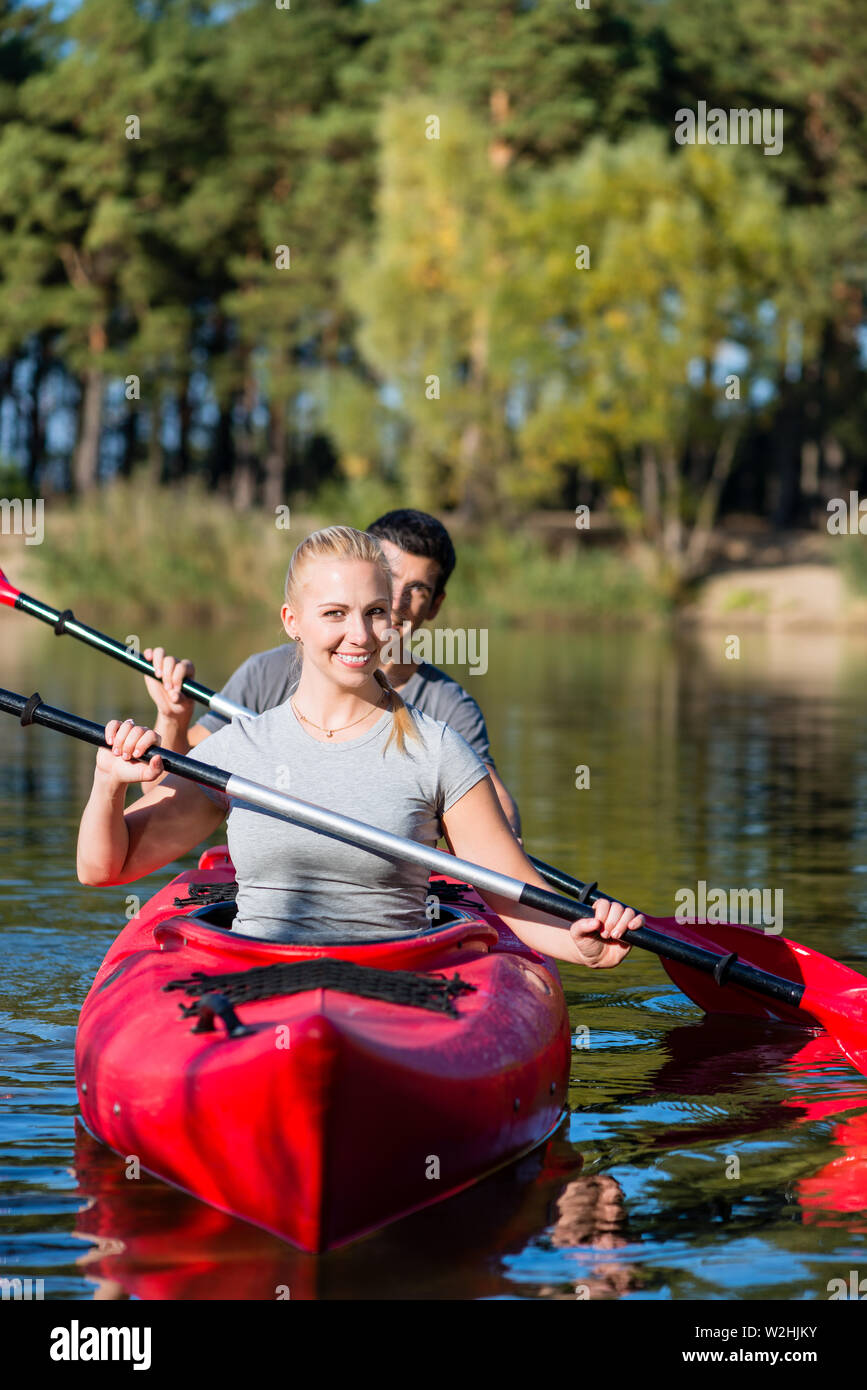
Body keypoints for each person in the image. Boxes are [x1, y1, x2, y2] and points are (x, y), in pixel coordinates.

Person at [78, 526, 643, 963]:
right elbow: (107, 867)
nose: (361, 635)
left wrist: (585, 945)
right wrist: (107, 785)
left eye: (376, 613)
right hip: (255, 980)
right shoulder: (239, 749)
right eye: (334, 614)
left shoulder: (439, 750)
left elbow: (512, 895)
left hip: (398, 984)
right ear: (292, 621)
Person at [142, 509, 523, 836]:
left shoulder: (450, 709)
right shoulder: (264, 673)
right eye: (388, 578)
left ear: (436, 604)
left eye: (418, 589)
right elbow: (164, 790)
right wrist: (174, 719)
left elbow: (501, 815)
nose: (396, 601)